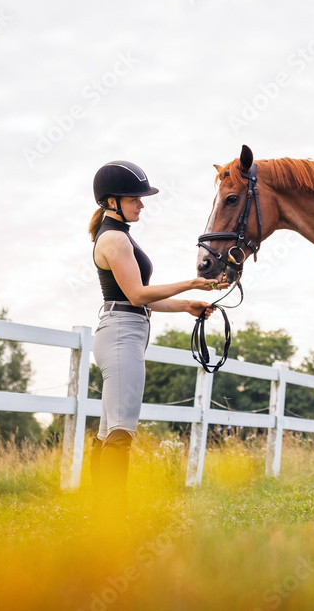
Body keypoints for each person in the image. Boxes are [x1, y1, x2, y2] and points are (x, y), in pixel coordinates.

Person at [88, 160, 227, 518]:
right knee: (121, 432)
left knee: (109, 431)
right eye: (135, 198)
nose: (142, 203)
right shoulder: (115, 239)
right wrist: (194, 282)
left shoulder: (116, 235)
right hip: (122, 332)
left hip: (123, 329)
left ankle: (96, 511)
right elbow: (137, 295)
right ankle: (112, 517)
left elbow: (139, 295)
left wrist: (185, 306)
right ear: (112, 201)